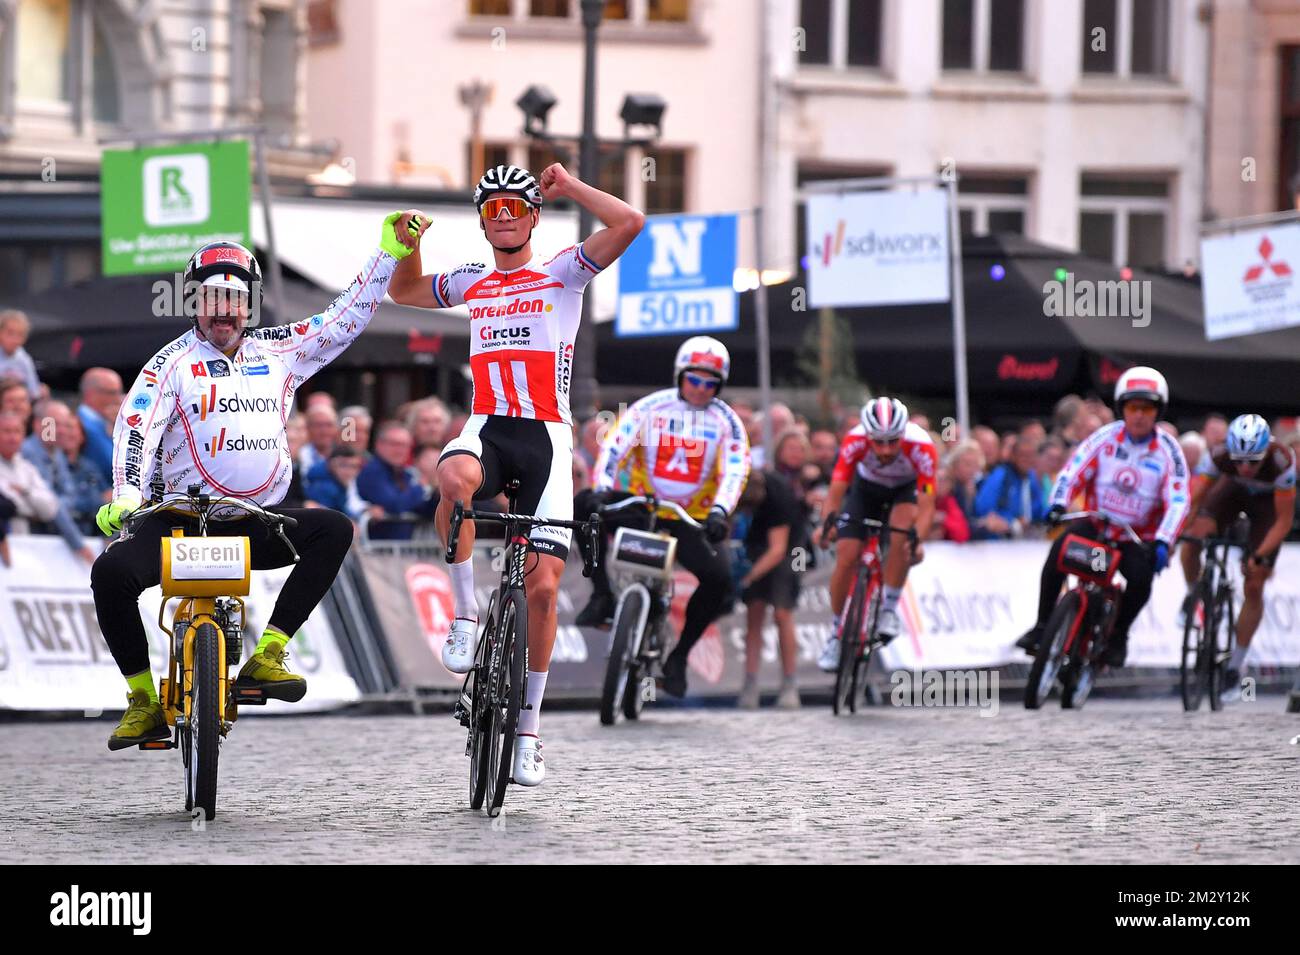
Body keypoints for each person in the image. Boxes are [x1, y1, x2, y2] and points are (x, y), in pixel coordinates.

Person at [90, 214, 421, 750]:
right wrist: (127, 497)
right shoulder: (169, 364)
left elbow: (344, 320)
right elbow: (135, 430)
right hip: (179, 524)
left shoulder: (278, 350)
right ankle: (143, 701)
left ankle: (268, 654)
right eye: (211, 298)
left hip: (255, 523)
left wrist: (388, 254)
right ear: (194, 303)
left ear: (251, 303)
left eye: (235, 297)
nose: (224, 309)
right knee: (110, 574)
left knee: (333, 529)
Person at [387, 162, 645, 787]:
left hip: (548, 438)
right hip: (488, 426)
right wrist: (409, 243)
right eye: (493, 209)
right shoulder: (473, 280)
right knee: (453, 483)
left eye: (515, 208)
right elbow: (405, 291)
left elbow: (631, 221)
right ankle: (466, 614)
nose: (504, 217)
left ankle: (528, 732)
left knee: (545, 591)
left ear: (532, 216)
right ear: (483, 219)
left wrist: (573, 186)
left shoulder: (562, 270)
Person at [575, 336, 750, 700]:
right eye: (694, 379)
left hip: (691, 517)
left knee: (719, 579)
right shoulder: (651, 407)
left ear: (720, 385)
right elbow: (615, 446)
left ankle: (679, 657)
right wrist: (601, 486)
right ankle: (602, 595)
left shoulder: (727, 423)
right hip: (643, 505)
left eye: (710, 383)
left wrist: (720, 512)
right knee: (584, 507)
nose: (701, 389)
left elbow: (735, 471)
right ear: (680, 375)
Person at [1016, 367, 1190, 667]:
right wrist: (1058, 503)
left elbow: (1178, 498)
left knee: (1141, 581)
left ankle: (1119, 635)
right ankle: (1043, 626)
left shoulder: (1169, 451)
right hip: (1098, 525)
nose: (1139, 415)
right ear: (1122, 408)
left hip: (1137, 538)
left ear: (1157, 411)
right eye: (1133, 407)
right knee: (1058, 553)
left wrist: (1164, 540)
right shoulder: (1105, 438)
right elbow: (1073, 470)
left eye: (1146, 408)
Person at [1178, 413, 1296, 700]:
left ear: (1266, 451)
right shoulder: (1219, 455)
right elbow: (1196, 500)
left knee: (1254, 583)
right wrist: (1180, 532)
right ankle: (1195, 593)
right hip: (1231, 494)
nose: (1244, 467)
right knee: (1195, 537)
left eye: (1252, 461)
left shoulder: (1283, 462)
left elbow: (1282, 522)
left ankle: (1234, 666)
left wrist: (1260, 555)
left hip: (1267, 508)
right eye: (1239, 460)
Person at [816, 397, 937, 671]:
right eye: (878, 442)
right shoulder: (854, 440)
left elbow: (928, 503)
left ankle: (888, 610)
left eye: (893, 441)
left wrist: (918, 540)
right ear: (868, 435)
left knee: (902, 536)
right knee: (846, 555)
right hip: (866, 489)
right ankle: (836, 634)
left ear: (903, 434)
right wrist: (827, 526)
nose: (885, 449)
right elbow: (836, 491)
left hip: (905, 490)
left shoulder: (921, 446)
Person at [734, 469, 803, 709]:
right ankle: (750, 684)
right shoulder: (734, 486)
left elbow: (777, 550)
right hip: (755, 541)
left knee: (782, 613)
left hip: (790, 546)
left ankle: (790, 684)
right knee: (754, 611)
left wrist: (746, 578)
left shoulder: (779, 496)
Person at [355, 421, 438, 539]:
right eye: (394, 444)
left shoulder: (405, 474)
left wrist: (438, 494)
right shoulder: (372, 472)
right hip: (377, 549)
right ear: (379, 444)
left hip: (401, 550)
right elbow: (395, 505)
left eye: (405, 445)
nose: (400, 450)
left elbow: (419, 508)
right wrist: (422, 486)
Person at [971, 432, 1047, 539]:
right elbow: (983, 508)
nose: (1027, 459)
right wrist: (1012, 521)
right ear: (1013, 456)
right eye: (1023, 455)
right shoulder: (1001, 475)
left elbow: (1038, 510)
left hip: (1025, 541)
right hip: (998, 542)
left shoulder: (1032, 478)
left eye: (1031, 455)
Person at [77, 368, 125, 485]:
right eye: (112, 393)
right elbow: (115, 466)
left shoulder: (103, 423)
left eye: (120, 392)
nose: (119, 399)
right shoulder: (83, 425)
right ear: (91, 394)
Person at [304, 445, 368, 519]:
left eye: (354, 466)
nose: (348, 471)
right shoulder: (323, 488)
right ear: (331, 464)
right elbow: (330, 518)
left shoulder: (340, 483)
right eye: (343, 465)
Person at [0, 310, 41, 400]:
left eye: (20, 334)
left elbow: (34, 392)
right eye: (10, 333)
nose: (15, 339)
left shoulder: (24, 360)